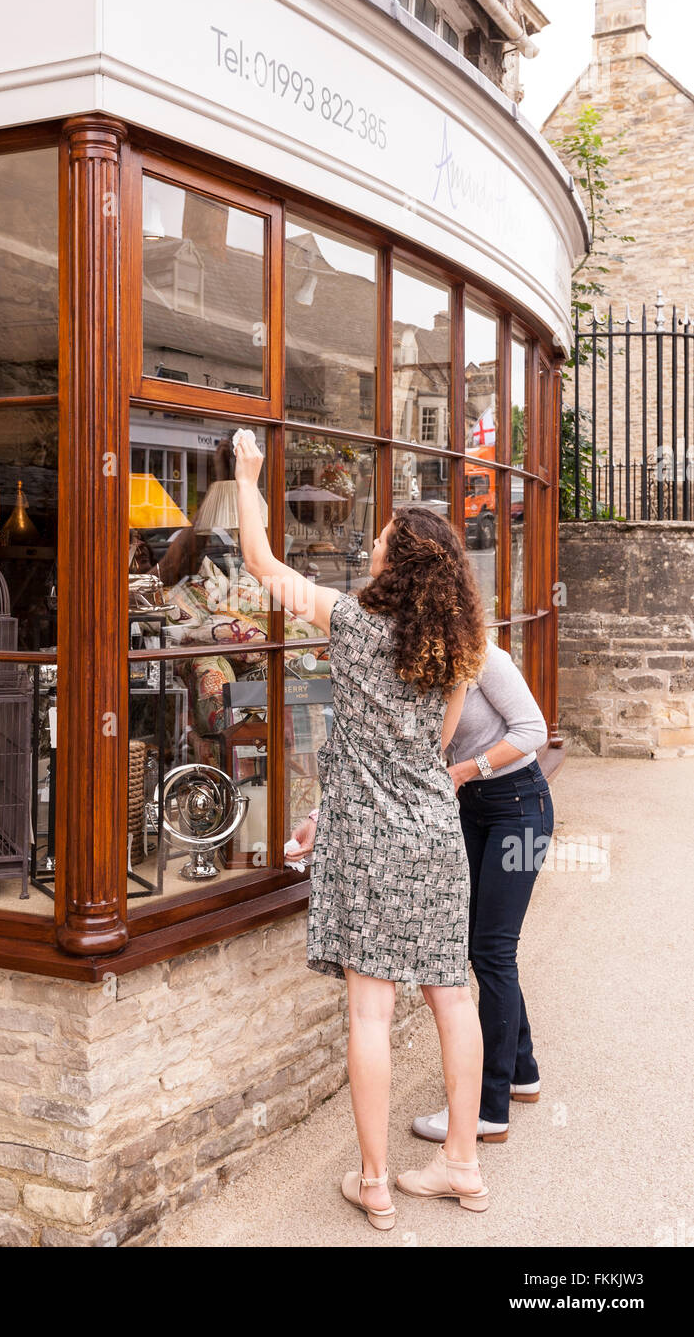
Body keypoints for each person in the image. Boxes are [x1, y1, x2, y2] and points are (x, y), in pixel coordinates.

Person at [235, 433, 491, 1229]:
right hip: (433, 834)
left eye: (379, 540)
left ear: (397, 561)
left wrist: (246, 477)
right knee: (453, 998)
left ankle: (375, 1181)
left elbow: (261, 568)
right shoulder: (455, 647)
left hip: (370, 841)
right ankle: (461, 1166)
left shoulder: (351, 625)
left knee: (369, 1014)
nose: (370, 546)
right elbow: (436, 746)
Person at [411, 643, 553, 1144]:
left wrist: (467, 769)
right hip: (472, 810)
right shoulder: (422, 660)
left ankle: (487, 1110)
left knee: (492, 951)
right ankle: (522, 1071)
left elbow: (534, 731)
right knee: (483, 950)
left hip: (520, 809)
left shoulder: (483, 657)